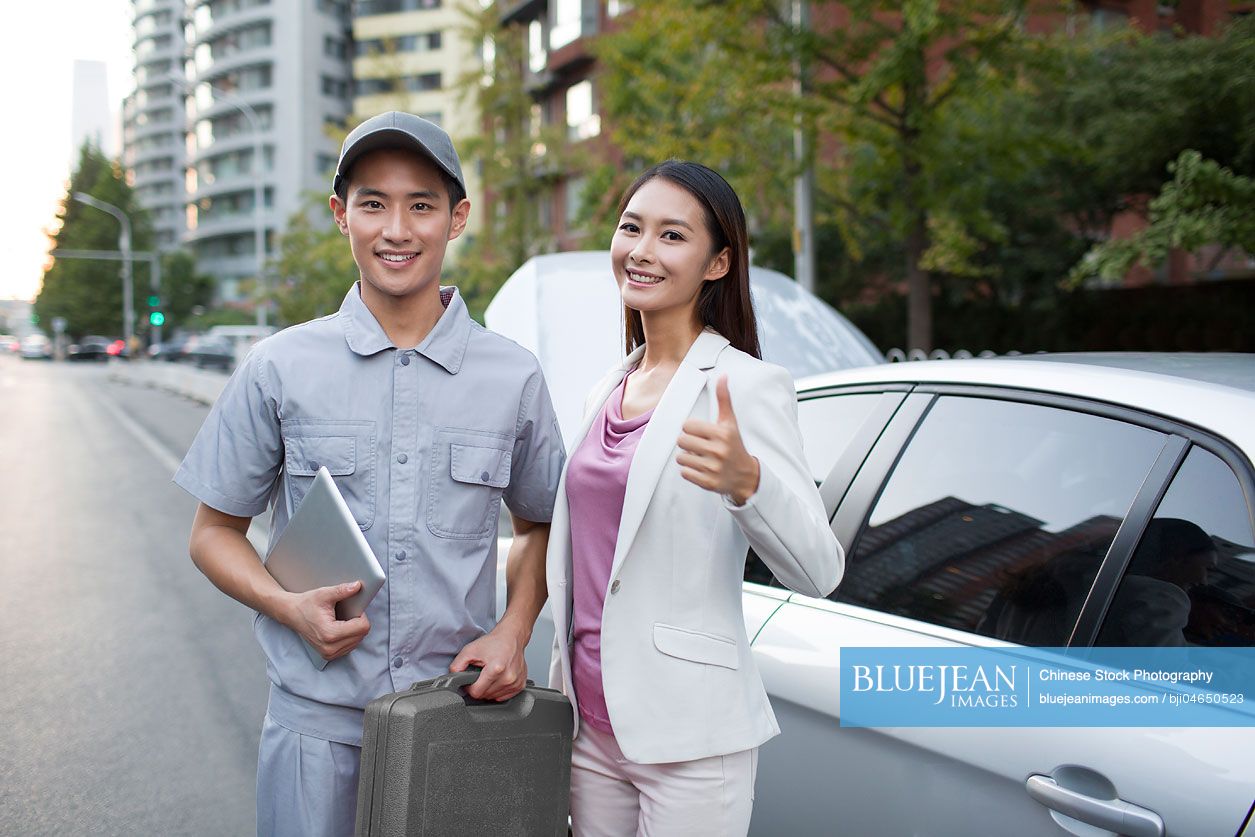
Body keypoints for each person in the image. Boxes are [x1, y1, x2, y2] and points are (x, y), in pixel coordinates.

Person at [174, 112, 565, 837]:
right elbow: (212, 533)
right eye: (373, 203)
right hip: (314, 730)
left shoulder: (513, 376)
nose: (397, 228)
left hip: (457, 723)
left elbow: (543, 523)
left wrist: (514, 629)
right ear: (340, 216)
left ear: (457, 219)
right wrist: (286, 605)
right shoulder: (278, 366)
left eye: (421, 204)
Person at [544, 160, 844, 836]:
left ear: (717, 263)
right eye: (630, 228)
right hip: (590, 725)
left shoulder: (745, 385)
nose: (642, 250)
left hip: (691, 734)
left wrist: (749, 484)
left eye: (671, 236)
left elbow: (820, 569)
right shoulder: (605, 390)